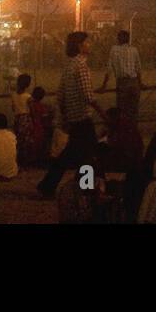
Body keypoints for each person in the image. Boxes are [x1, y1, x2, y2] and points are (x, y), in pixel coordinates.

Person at [37, 32, 103, 198]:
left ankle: (48, 185)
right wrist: (104, 115)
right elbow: (88, 96)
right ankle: (84, 187)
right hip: (83, 118)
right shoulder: (81, 66)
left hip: (74, 118)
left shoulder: (69, 66)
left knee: (69, 156)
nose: (90, 45)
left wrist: (66, 117)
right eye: (87, 42)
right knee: (88, 155)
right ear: (80, 46)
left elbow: (61, 95)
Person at [101, 30, 143, 128]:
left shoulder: (114, 50)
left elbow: (109, 69)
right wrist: (140, 83)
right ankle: (133, 132)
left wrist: (104, 85)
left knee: (122, 110)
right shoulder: (134, 50)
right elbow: (138, 68)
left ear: (119, 39)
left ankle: (123, 132)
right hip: (134, 82)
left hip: (122, 83)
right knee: (133, 111)